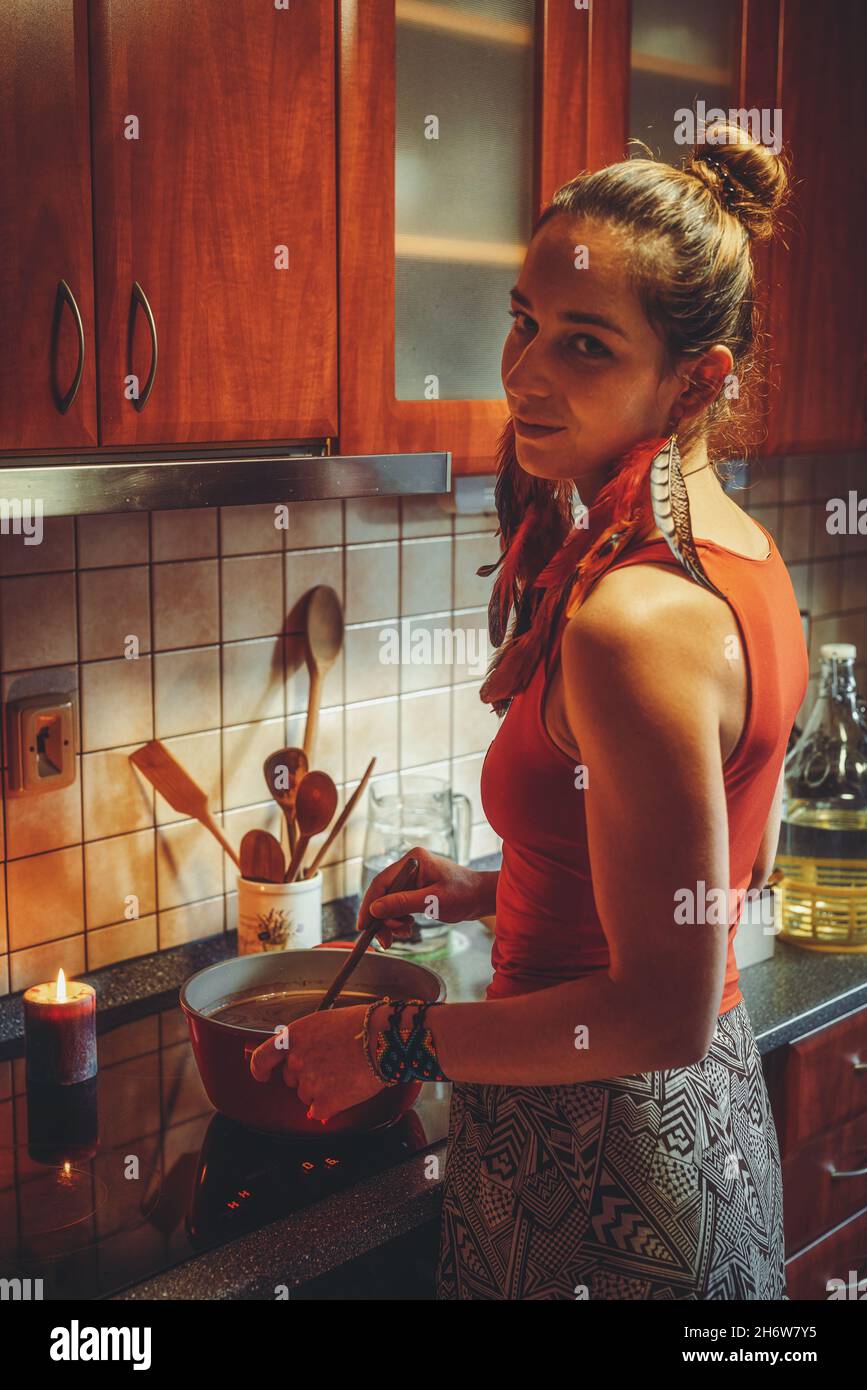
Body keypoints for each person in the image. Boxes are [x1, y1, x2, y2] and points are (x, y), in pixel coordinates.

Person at [250, 121, 808, 1300]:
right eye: (524, 322)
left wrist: (394, 1041)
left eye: (586, 344)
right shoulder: (738, 556)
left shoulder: (630, 621)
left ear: (696, 376)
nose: (521, 375)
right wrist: (491, 888)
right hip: (697, 1134)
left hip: (601, 1156)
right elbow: (698, 886)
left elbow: (656, 1007)